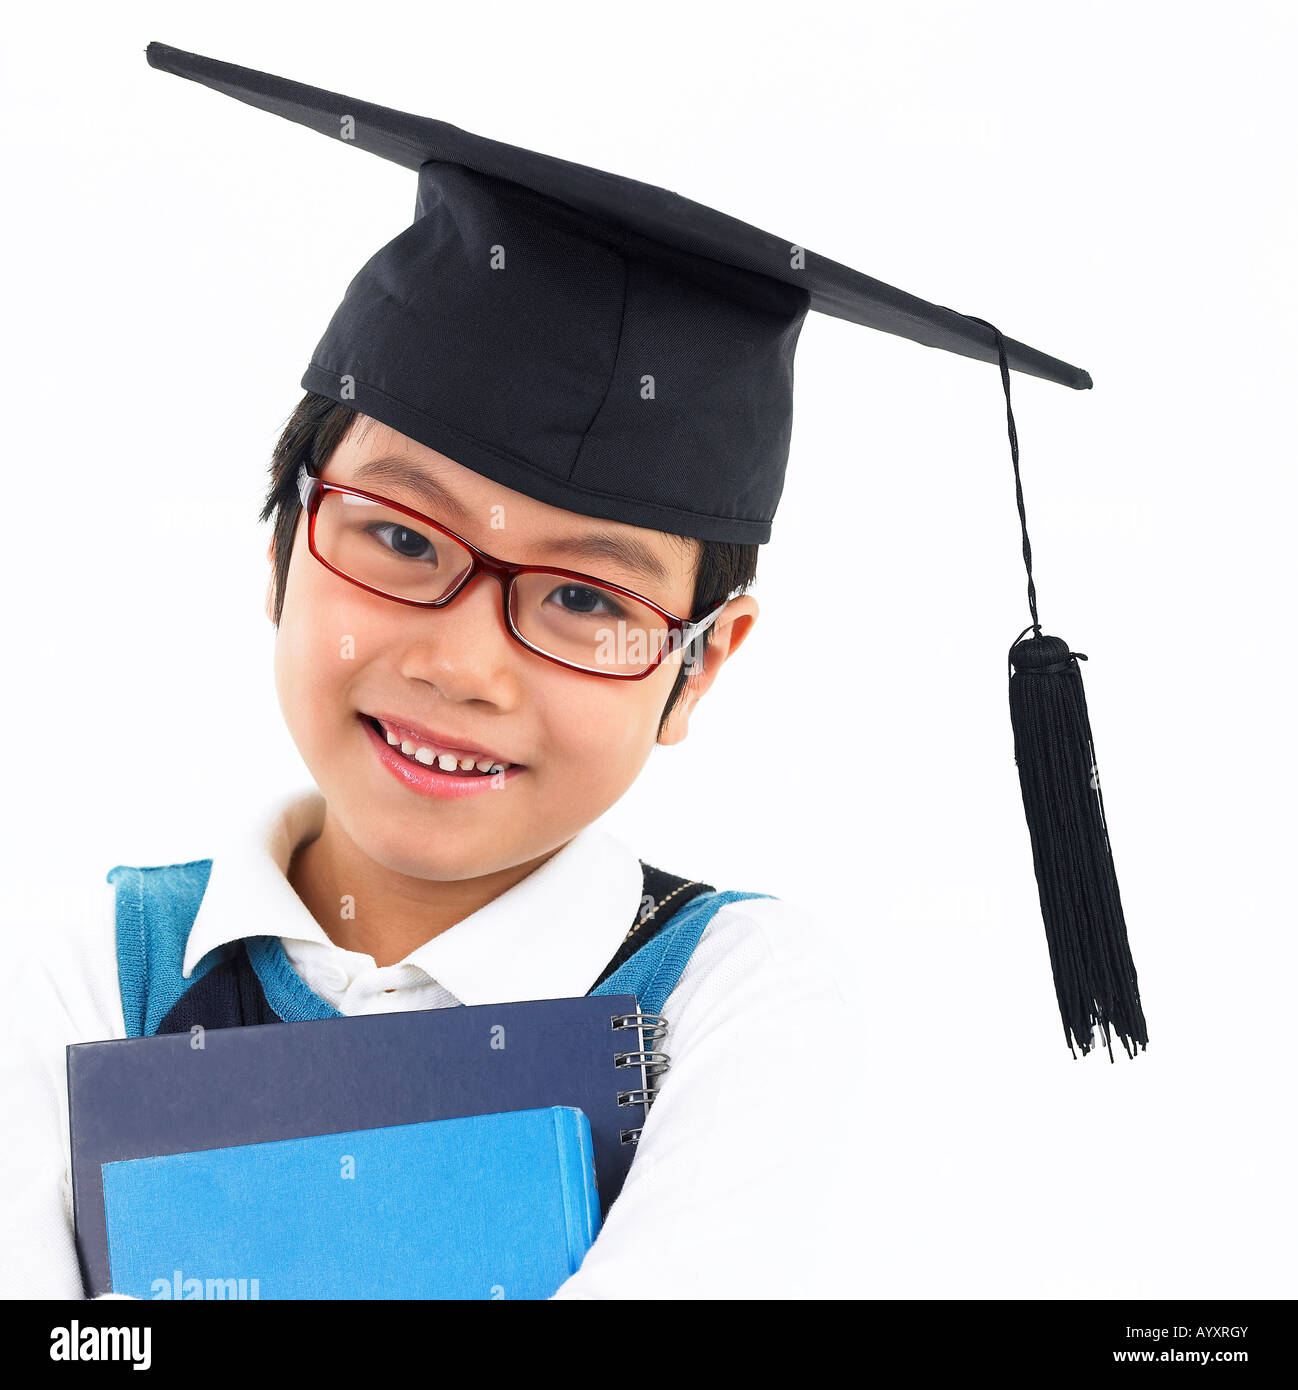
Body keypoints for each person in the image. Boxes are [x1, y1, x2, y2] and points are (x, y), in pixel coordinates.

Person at [0, 40, 1117, 1300]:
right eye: (400, 537)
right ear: (281, 540)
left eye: (585, 598)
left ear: (698, 667)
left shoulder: (723, 999)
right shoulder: (92, 968)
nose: (463, 662)